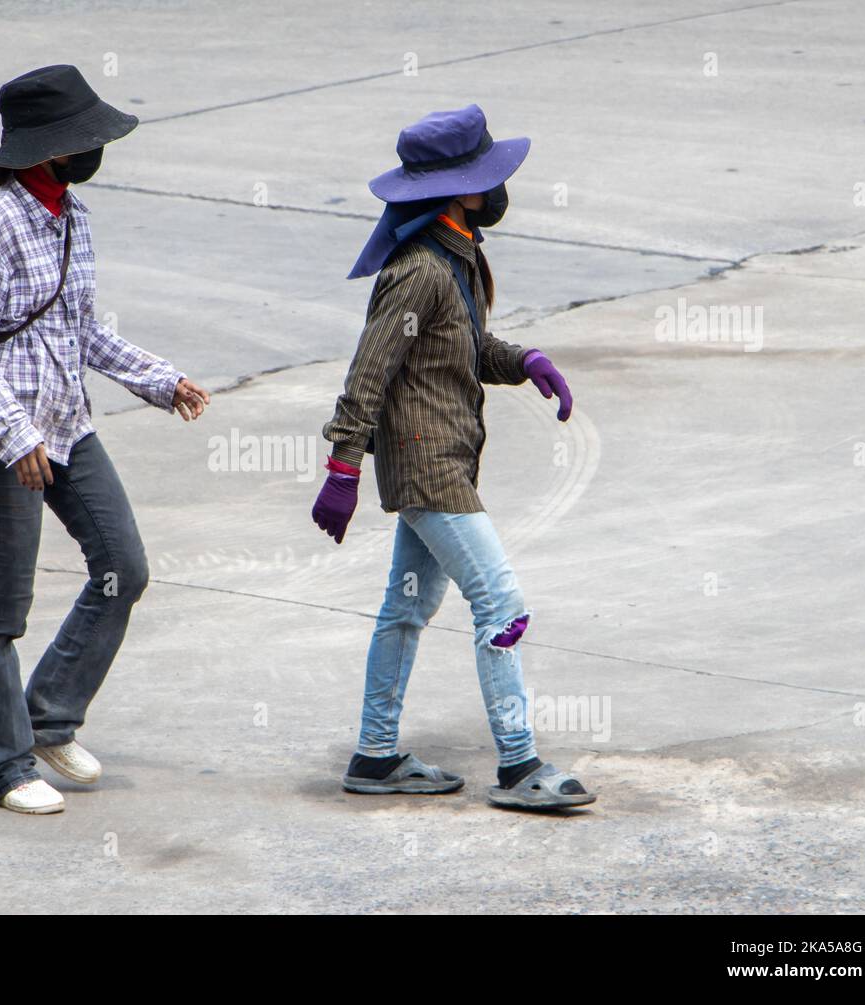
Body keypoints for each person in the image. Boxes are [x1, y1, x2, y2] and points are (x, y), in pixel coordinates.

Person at [0, 65, 211, 814]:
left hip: (66, 423)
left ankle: (49, 716)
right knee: (3, 609)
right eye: (84, 137)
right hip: (1, 439)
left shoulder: (74, 217)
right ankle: (1, 764)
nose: (95, 148)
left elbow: (81, 329)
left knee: (123, 567)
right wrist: (10, 431)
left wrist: (161, 379)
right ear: (49, 148)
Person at [312, 104, 595, 809]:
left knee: (405, 609)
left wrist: (524, 358)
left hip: (441, 459)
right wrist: (343, 467)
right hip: (428, 464)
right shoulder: (420, 271)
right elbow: (369, 370)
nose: (499, 187)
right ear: (462, 189)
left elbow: (457, 351)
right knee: (501, 603)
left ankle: (375, 757)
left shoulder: (454, 251)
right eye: (489, 174)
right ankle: (519, 765)